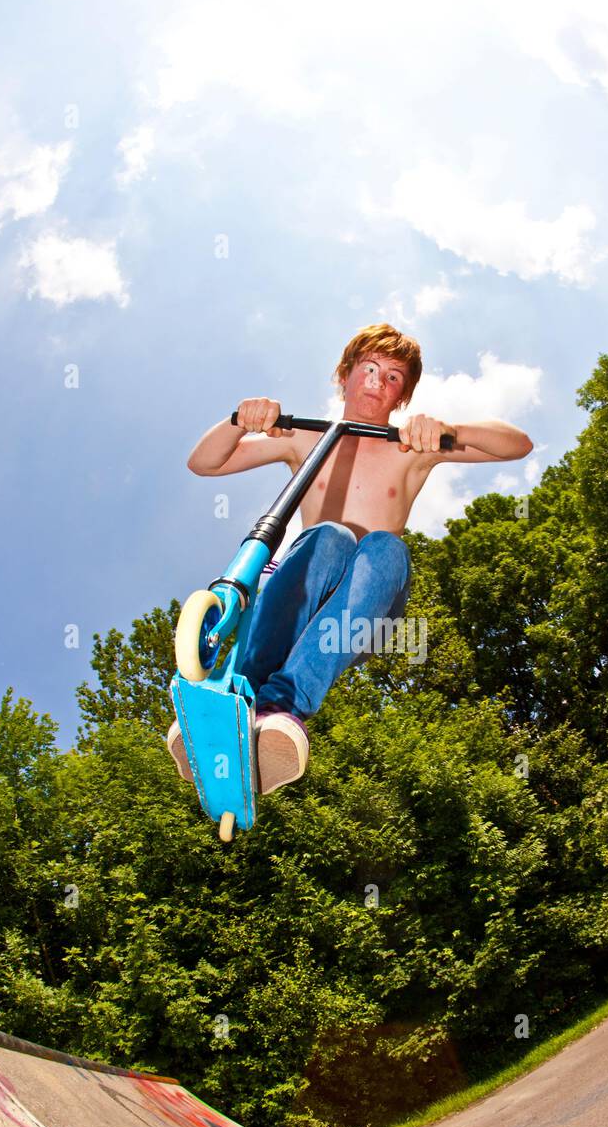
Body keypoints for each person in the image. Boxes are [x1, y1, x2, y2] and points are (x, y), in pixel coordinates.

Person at [168, 322, 533, 794]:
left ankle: (281, 708)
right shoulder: (304, 439)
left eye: (394, 377)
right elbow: (204, 463)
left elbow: (517, 445)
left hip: (364, 608)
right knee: (330, 537)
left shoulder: (410, 449)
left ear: (403, 396)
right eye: (369, 369)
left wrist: (450, 430)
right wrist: (240, 418)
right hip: (299, 595)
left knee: (384, 545)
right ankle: (235, 698)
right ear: (344, 375)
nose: (378, 383)